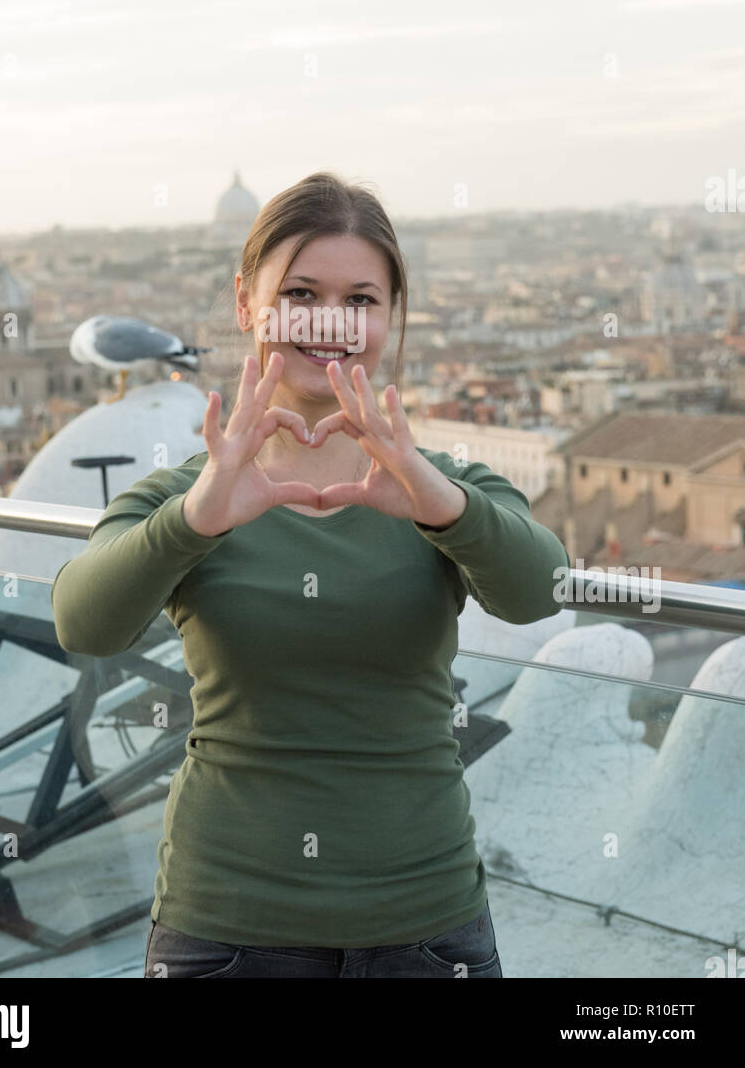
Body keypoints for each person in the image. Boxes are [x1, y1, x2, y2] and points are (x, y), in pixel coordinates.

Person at [51, 170, 571, 978]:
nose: (332, 320)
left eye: (361, 298)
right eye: (300, 292)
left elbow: (539, 591)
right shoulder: (186, 495)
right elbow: (85, 624)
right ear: (244, 304)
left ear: (392, 315)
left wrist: (437, 504)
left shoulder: (440, 489)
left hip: (426, 928)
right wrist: (194, 519)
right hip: (225, 927)